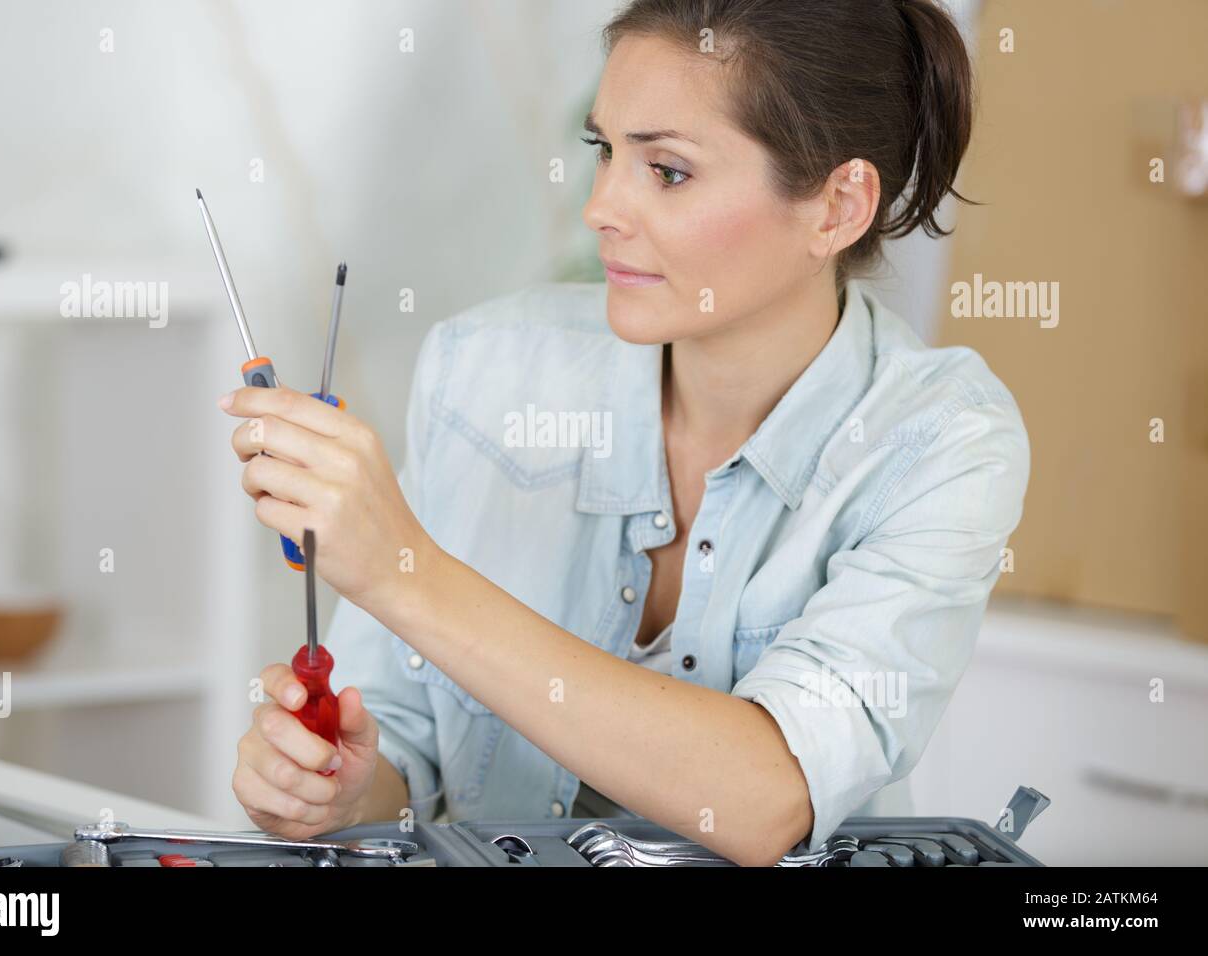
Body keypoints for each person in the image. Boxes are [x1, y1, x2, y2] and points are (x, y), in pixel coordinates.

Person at [223, 0, 1029, 867]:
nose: (601, 207)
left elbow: (762, 799)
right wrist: (339, 787)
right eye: (604, 150)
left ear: (837, 205)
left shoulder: (939, 441)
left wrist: (402, 571)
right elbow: (400, 751)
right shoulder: (488, 368)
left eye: (669, 171)